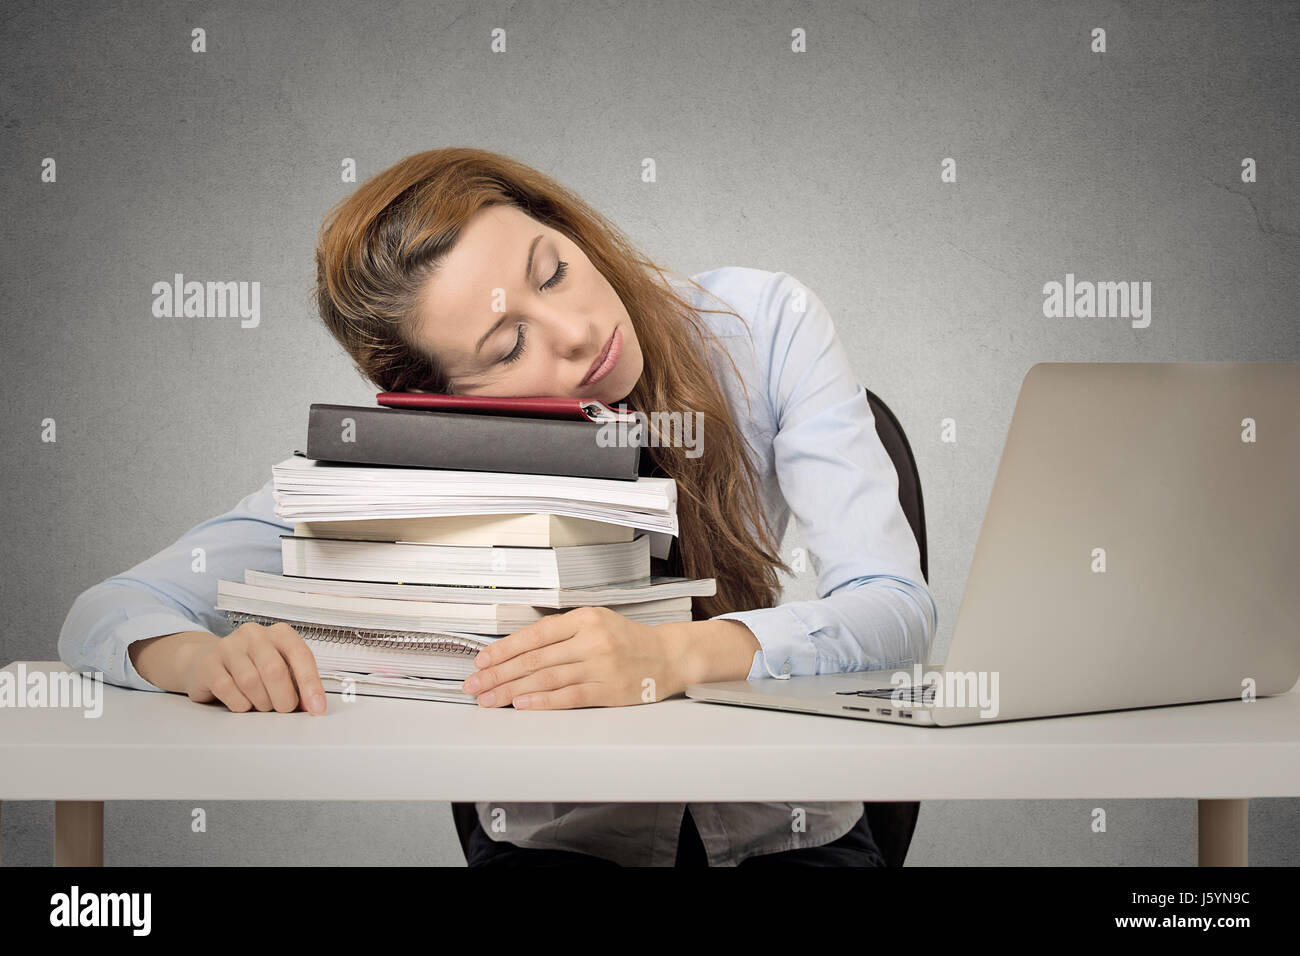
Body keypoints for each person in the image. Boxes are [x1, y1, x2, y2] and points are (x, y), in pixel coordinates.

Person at [59, 147, 938, 867]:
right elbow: (110, 611)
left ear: (563, 226)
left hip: (784, 832)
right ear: (433, 399)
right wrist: (187, 660)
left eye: (552, 271)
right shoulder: (421, 453)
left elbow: (893, 607)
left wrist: (671, 655)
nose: (579, 334)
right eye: (508, 344)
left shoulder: (764, 326)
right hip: (563, 843)